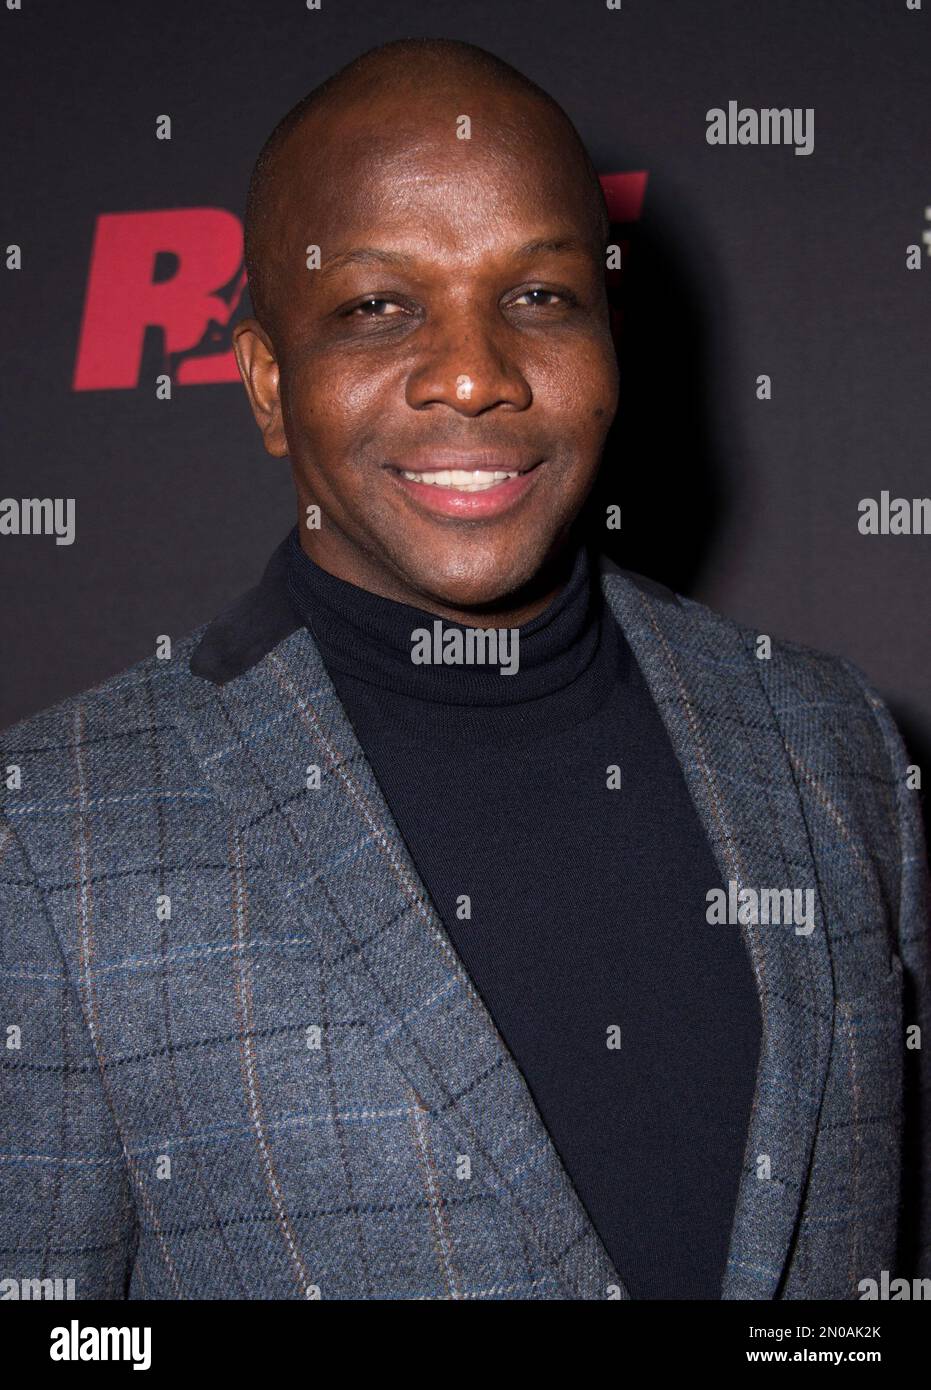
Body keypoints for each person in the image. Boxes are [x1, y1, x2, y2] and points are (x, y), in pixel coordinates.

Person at [1, 38, 927, 1301]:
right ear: (269, 384)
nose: (475, 374)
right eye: (379, 306)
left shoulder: (829, 741)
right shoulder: (55, 836)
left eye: (540, 296)